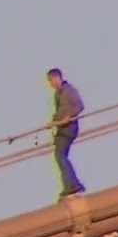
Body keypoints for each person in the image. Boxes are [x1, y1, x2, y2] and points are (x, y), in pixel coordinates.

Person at [47, 68, 86, 198]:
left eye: (51, 80)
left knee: (60, 155)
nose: (51, 84)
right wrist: (53, 121)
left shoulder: (70, 91)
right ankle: (71, 184)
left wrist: (69, 117)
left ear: (57, 78)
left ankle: (72, 185)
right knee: (60, 156)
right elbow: (59, 112)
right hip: (61, 128)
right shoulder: (57, 94)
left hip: (69, 127)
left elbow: (80, 106)